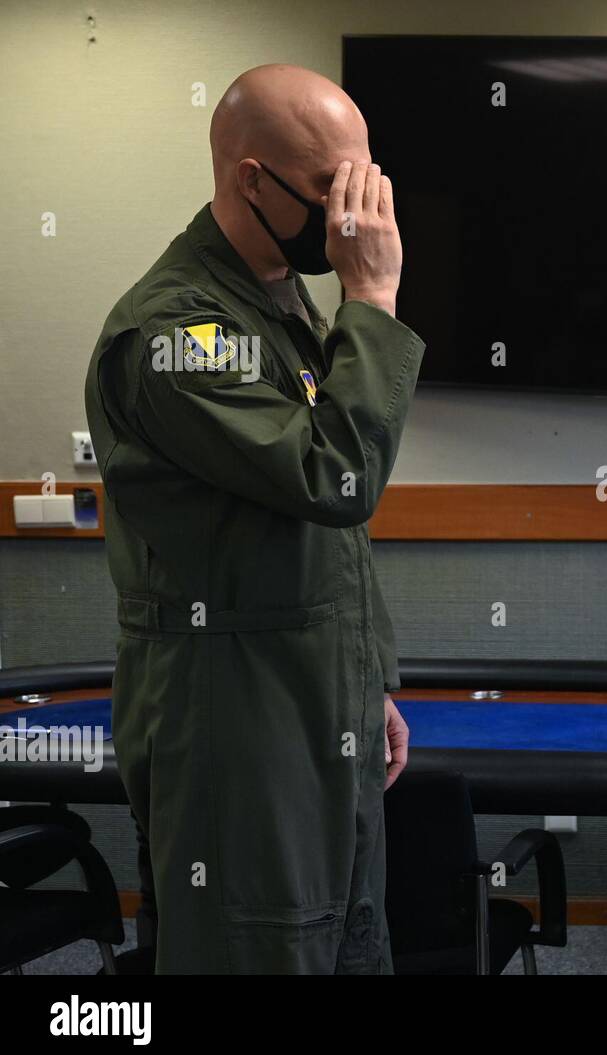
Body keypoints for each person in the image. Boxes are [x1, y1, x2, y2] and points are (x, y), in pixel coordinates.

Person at [83, 64, 423, 974]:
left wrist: (368, 680)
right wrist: (376, 302)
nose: (350, 215)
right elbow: (335, 476)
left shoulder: (275, 293)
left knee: (346, 941)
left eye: (362, 182)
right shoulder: (175, 331)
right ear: (249, 181)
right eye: (327, 189)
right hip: (235, 718)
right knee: (260, 948)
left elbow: (321, 537)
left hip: (317, 697)